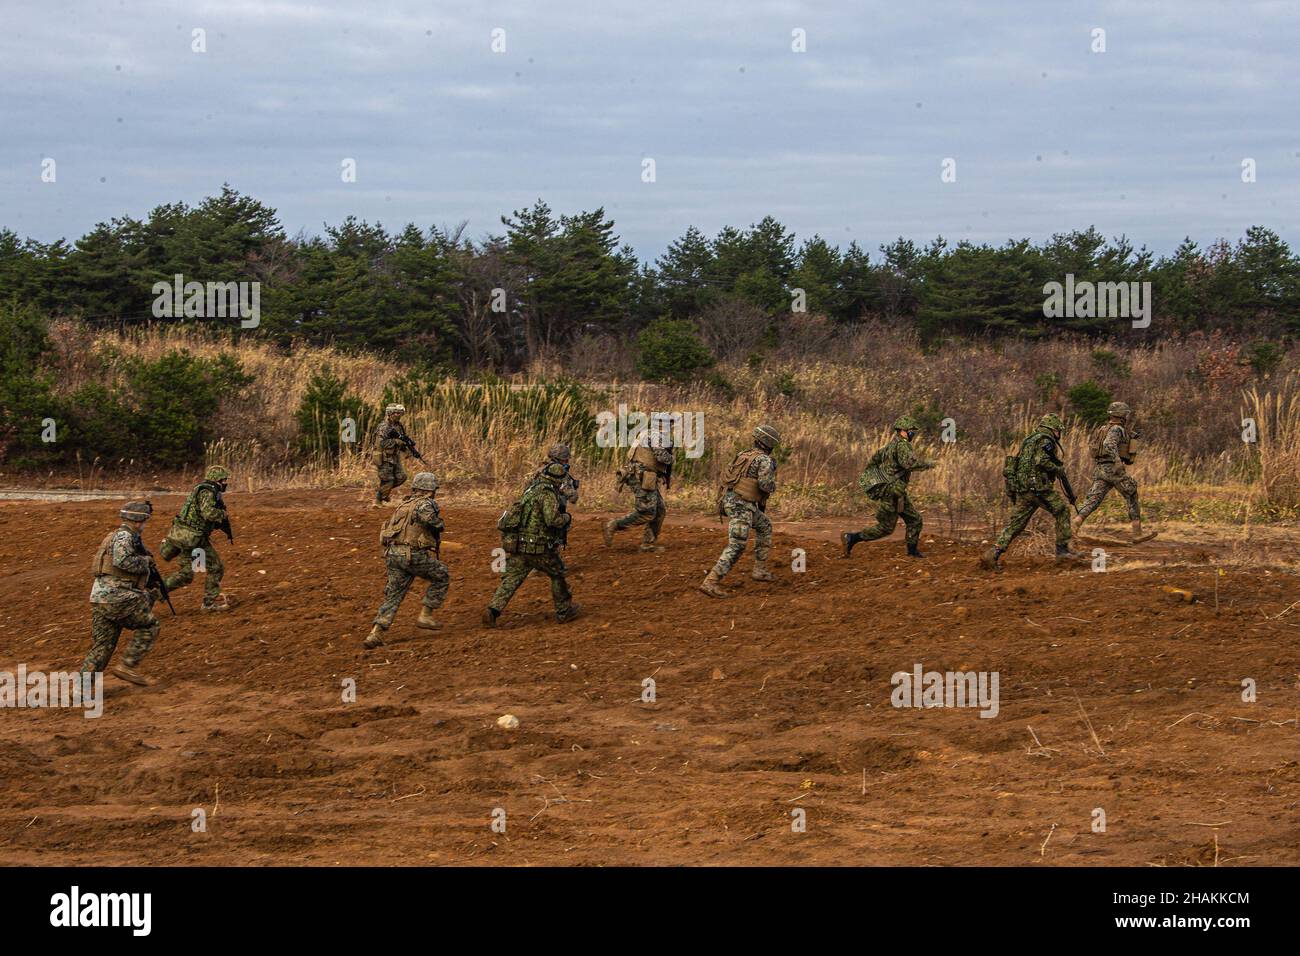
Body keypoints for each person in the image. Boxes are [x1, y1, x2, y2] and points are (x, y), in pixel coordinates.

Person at [365, 472, 449, 649]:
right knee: (441, 574)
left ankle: (376, 633)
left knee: (394, 594)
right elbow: (431, 520)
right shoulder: (425, 503)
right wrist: (439, 524)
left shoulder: (404, 504)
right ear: (429, 490)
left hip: (393, 553)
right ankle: (426, 615)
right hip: (411, 555)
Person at [84, 501, 163, 686]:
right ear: (138, 521)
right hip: (118, 598)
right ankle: (127, 665)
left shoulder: (114, 536)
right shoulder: (125, 537)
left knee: (103, 647)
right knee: (151, 626)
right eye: (144, 521)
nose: (144, 525)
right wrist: (146, 562)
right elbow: (123, 561)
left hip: (99, 599)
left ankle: (82, 688)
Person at [700, 424, 779, 598]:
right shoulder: (764, 460)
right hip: (741, 505)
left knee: (764, 525)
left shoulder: (743, 454)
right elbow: (765, 485)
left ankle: (760, 570)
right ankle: (711, 582)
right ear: (770, 444)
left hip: (734, 502)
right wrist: (774, 484)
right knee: (737, 544)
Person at [842, 415, 935, 559]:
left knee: (914, 520)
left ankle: (912, 552)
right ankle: (851, 538)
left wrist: (877, 479)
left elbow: (873, 461)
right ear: (903, 430)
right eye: (911, 430)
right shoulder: (903, 445)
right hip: (893, 493)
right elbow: (909, 464)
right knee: (886, 528)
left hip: (895, 491)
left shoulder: (889, 446)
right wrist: (928, 464)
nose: (913, 433)